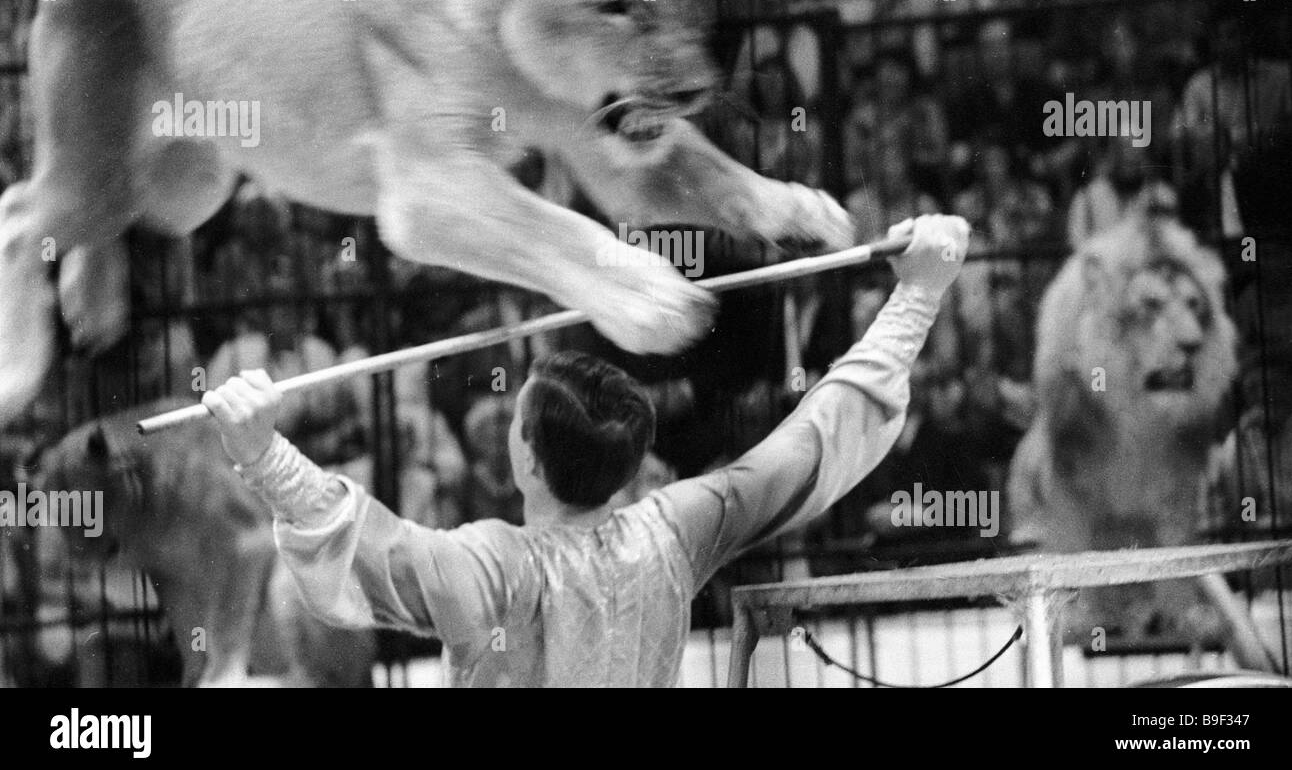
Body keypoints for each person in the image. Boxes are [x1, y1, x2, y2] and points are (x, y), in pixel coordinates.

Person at [201, 214, 970, 687]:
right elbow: (812, 439)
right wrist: (921, 292)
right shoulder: (674, 529)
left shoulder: (496, 566)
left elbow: (370, 547)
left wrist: (260, 451)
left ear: (528, 458)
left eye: (516, 417)